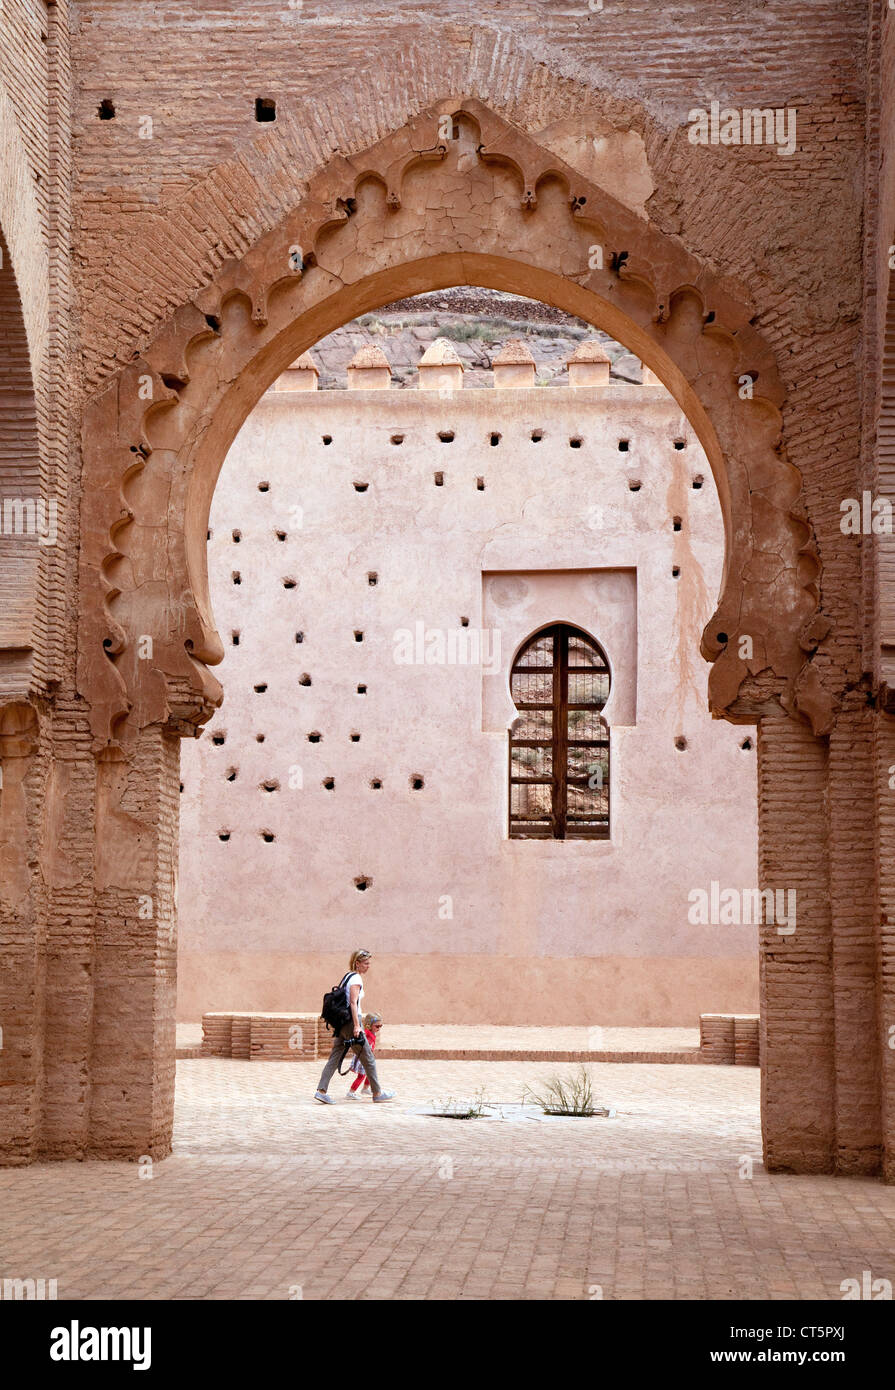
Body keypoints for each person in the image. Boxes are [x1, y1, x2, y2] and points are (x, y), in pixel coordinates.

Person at [314, 950, 395, 1104]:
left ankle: (321, 1090)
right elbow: (353, 1003)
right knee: (368, 1057)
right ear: (357, 963)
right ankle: (377, 1093)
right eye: (366, 963)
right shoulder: (356, 978)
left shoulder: (347, 976)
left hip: (341, 1023)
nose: (368, 966)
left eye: (369, 963)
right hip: (351, 1022)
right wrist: (357, 1026)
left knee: (335, 1056)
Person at [346, 1012, 382, 1097]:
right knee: (361, 1076)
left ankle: (365, 1088)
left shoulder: (372, 1033)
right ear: (369, 1025)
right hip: (363, 1057)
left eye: (380, 1026)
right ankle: (351, 1092)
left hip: (368, 1056)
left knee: (371, 1072)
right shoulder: (367, 1033)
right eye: (377, 1026)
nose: (379, 1028)